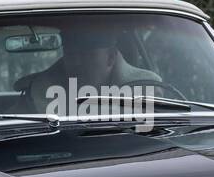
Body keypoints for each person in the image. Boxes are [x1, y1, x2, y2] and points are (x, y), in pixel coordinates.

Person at [15, 27, 163, 115]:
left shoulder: (145, 91)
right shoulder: (41, 92)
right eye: (71, 54)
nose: (77, 63)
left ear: (111, 57)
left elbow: (163, 137)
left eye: (88, 56)